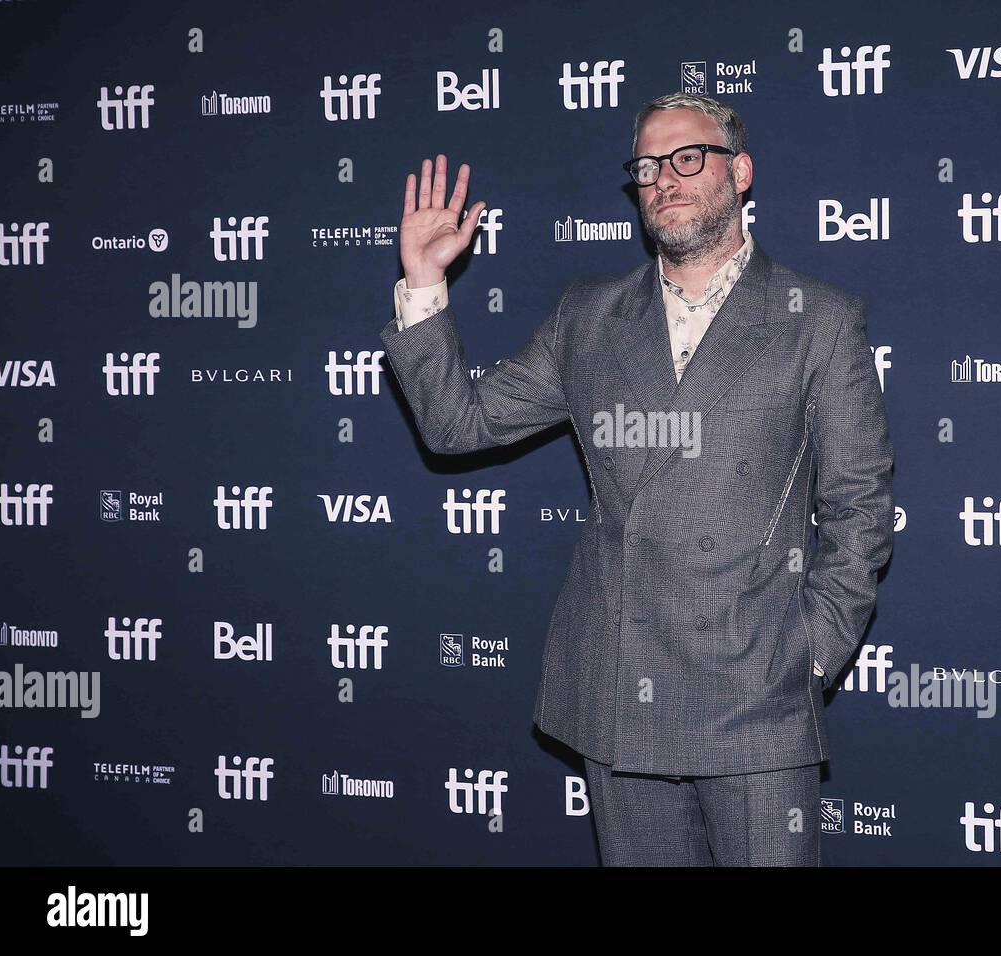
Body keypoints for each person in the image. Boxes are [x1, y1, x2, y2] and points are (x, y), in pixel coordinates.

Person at [380, 92, 894, 866]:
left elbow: (859, 509)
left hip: (754, 692)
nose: (665, 179)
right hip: (622, 681)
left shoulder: (816, 318)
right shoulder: (588, 316)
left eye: (689, 157)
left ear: (741, 172)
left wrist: (809, 653)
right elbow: (460, 427)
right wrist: (423, 283)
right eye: (648, 166)